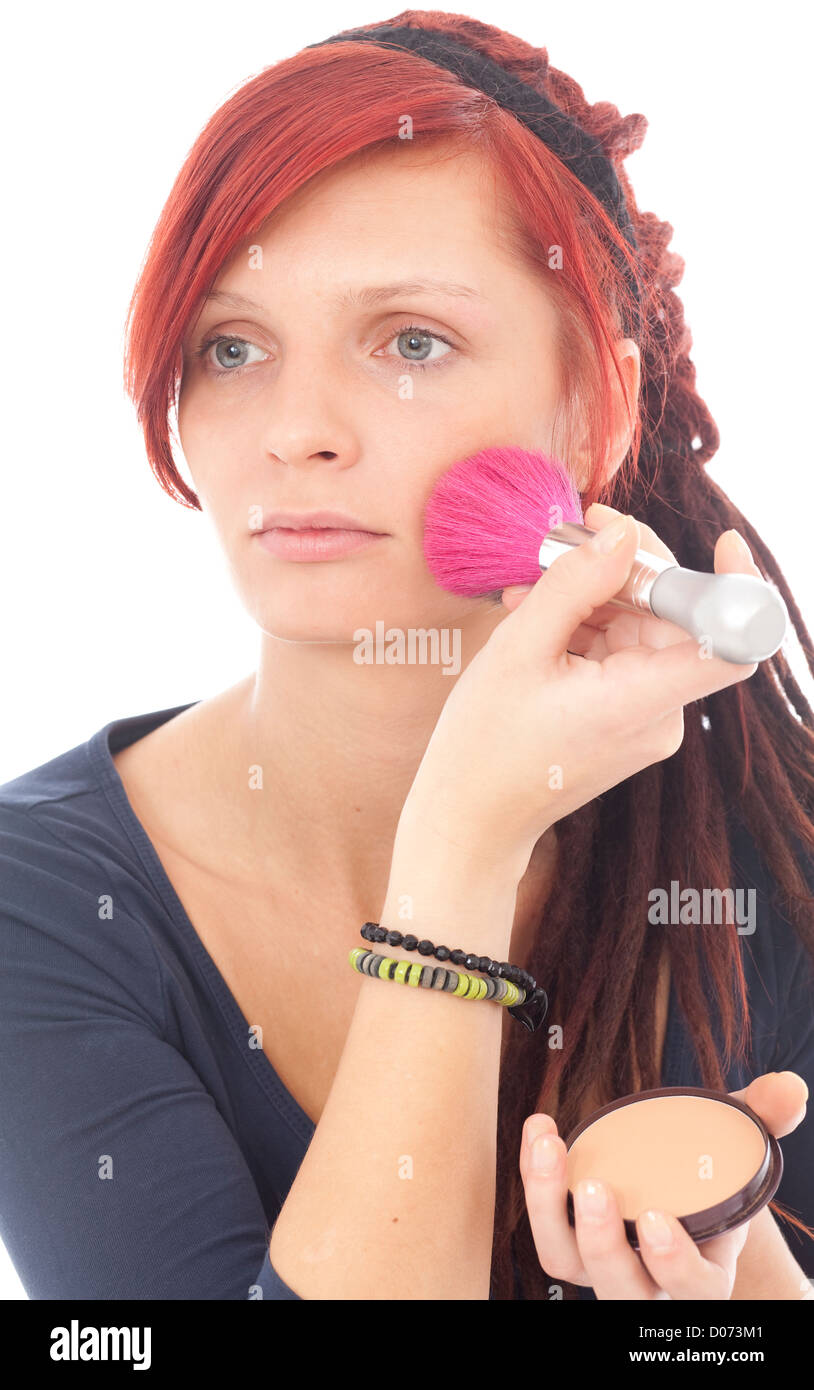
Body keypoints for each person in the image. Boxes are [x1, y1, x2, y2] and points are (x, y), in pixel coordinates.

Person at [1, 11, 812, 1301]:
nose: (299, 430)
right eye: (233, 347)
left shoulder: (768, 847)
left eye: (411, 343)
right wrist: (460, 851)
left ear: (596, 400)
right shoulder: (34, 905)